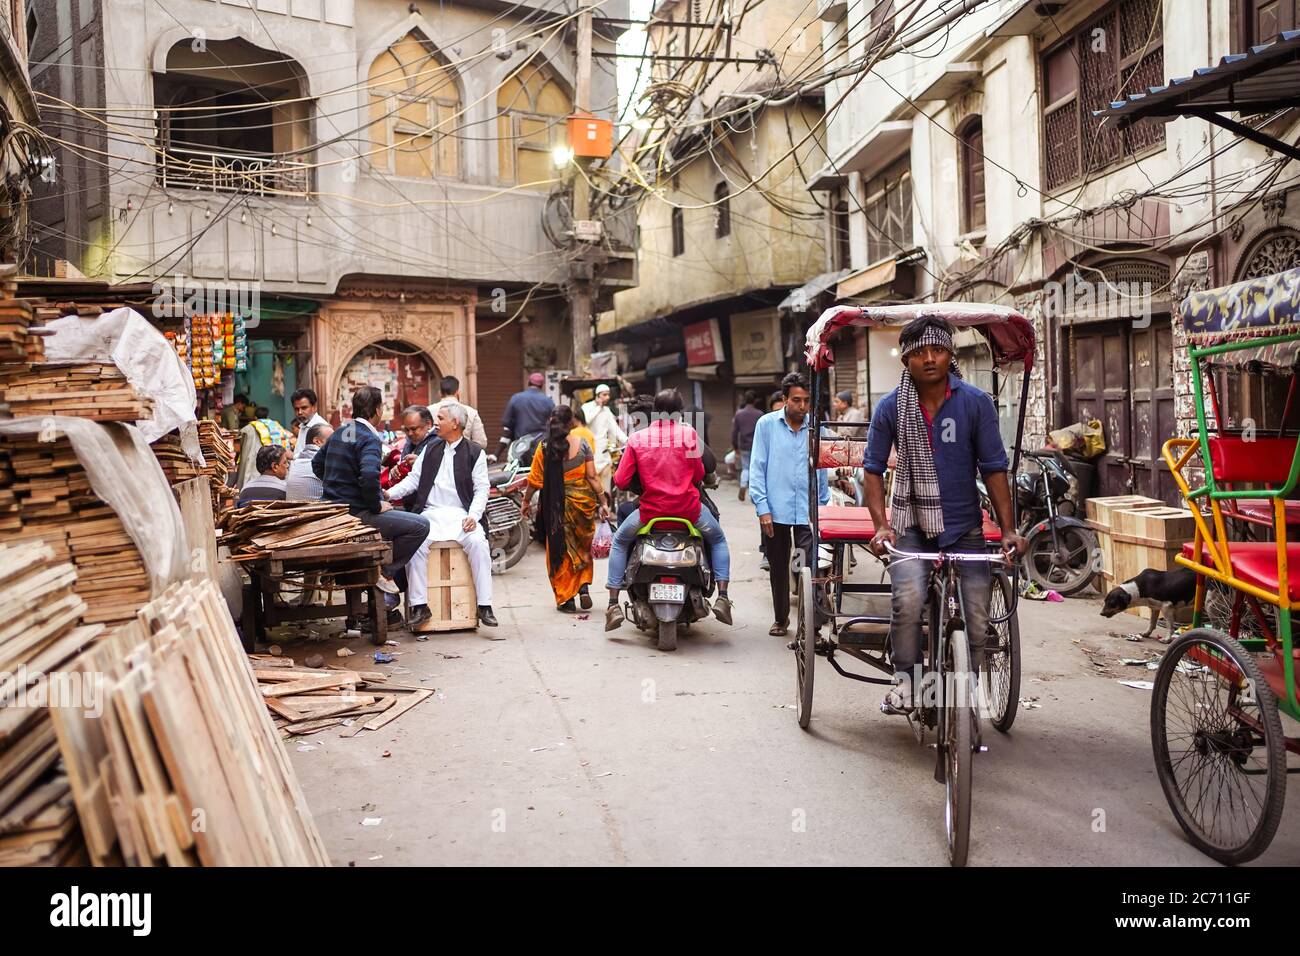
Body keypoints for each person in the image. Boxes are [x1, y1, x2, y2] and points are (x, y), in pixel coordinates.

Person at [863, 317, 1026, 715]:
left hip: (964, 525)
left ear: (950, 354)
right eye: (918, 353)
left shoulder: (975, 403)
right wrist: (882, 525)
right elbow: (872, 469)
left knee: (977, 616)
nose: (929, 359)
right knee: (909, 597)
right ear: (906, 361)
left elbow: (993, 467)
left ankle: (963, 684)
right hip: (912, 525)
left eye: (936, 350)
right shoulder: (890, 408)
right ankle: (907, 684)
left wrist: (1008, 530)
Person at [604, 388, 732, 631]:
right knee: (717, 540)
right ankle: (723, 598)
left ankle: (612, 604)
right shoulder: (690, 436)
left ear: (655, 411)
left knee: (620, 541)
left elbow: (621, 481)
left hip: (650, 513)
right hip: (689, 511)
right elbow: (699, 474)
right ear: (679, 412)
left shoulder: (638, 439)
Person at [384, 402, 498, 629]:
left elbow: (482, 489)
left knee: (478, 543)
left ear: (455, 424)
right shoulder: (431, 449)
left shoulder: (475, 452)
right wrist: (388, 493)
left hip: (461, 516)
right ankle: (419, 606)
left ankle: (485, 605)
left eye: (442, 418)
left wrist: (473, 516)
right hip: (431, 515)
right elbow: (413, 481)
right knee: (415, 544)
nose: (437, 423)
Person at [312, 386, 430, 601]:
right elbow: (368, 476)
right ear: (377, 410)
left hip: (332, 509)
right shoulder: (369, 437)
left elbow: (317, 464)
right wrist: (375, 505)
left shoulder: (344, 430)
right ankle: (385, 571)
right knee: (420, 525)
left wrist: (338, 486)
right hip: (355, 514)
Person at [750, 372, 829, 637]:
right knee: (779, 566)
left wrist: (823, 507)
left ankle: (813, 628)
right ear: (785, 399)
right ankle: (781, 618)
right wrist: (762, 508)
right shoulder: (766, 425)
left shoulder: (817, 427)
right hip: (775, 510)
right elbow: (757, 468)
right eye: (796, 400)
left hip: (807, 511)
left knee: (810, 568)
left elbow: (821, 470)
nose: (802, 406)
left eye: (806, 401)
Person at [521, 405, 610, 613]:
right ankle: (583, 587)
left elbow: (534, 481)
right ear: (571, 423)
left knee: (560, 549)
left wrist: (526, 502)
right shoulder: (584, 445)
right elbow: (592, 477)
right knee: (581, 546)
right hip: (583, 504)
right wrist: (603, 501)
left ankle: (567, 598)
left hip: (556, 507)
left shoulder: (544, 447)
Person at [382, 405, 438, 506]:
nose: (410, 433)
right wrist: (396, 469)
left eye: (414, 429)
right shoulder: (409, 441)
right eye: (406, 430)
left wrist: (421, 463)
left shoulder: (438, 443)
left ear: (428, 424)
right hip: (408, 501)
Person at [580, 383, 628, 492]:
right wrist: (598, 407)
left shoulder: (607, 411)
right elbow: (586, 420)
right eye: (604, 394)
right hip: (588, 452)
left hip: (603, 454)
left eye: (608, 394)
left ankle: (605, 506)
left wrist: (628, 441)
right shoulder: (586, 407)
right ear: (597, 395)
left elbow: (615, 429)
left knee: (606, 490)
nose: (607, 397)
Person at [500, 371, 554, 463]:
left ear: (528, 383)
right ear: (542, 386)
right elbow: (553, 423)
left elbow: (507, 423)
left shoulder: (516, 398)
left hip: (521, 448)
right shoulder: (548, 401)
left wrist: (497, 454)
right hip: (542, 447)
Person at [236, 406, 290, 488]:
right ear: (267, 416)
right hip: (276, 469)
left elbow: (244, 455)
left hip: (255, 470)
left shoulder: (248, 429)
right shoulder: (277, 427)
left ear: (255, 417)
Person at [433, 376, 488, 449]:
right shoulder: (471, 412)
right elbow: (481, 442)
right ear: (458, 392)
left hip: (435, 457)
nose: (436, 423)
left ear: (440, 393)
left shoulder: (429, 410)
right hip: (466, 458)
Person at [730, 390, 763, 502]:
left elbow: (734, 432)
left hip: (743, 445)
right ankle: (754, 493)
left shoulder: (739, 414)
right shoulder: (760, 414)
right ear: (754, 401)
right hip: (756, 446)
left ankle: (743, 484)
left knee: (746, 468)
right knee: (755, 469)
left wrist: (735, 447)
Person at [286, 422, 333, 501]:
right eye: (332, 440)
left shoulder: (296, 462)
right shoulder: (324, 462)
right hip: (319, 511)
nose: (336, 444)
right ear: (317, 442)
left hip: (295, 510)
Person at [291, 388, 329, 457]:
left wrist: (292, 456)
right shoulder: (303, 425)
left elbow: (319, 456)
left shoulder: (322, 428)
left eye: (304, 408)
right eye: (296, 409)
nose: (299, 412)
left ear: (314, 407)